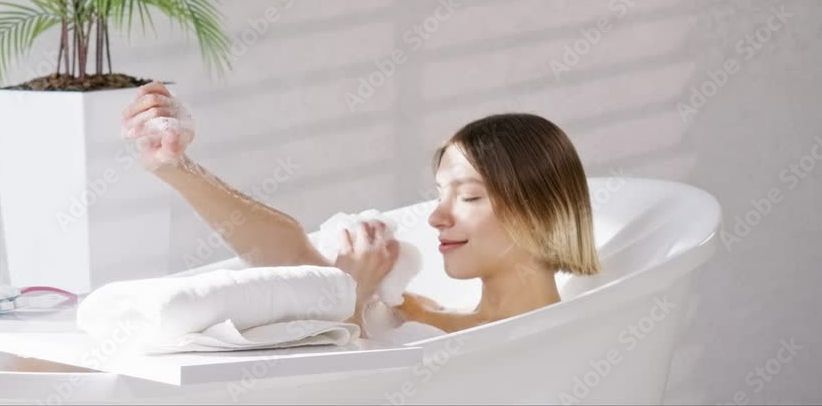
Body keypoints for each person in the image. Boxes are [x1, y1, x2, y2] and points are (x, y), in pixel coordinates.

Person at [120, 82, 600, 337]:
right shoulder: (425, 315)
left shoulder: (551, 341)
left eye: (469, 197)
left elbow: (350, 385)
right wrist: (177, 167)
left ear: (540, 211)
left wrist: (350, 301)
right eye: (439, 195)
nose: (436, 218)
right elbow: (294, 258)